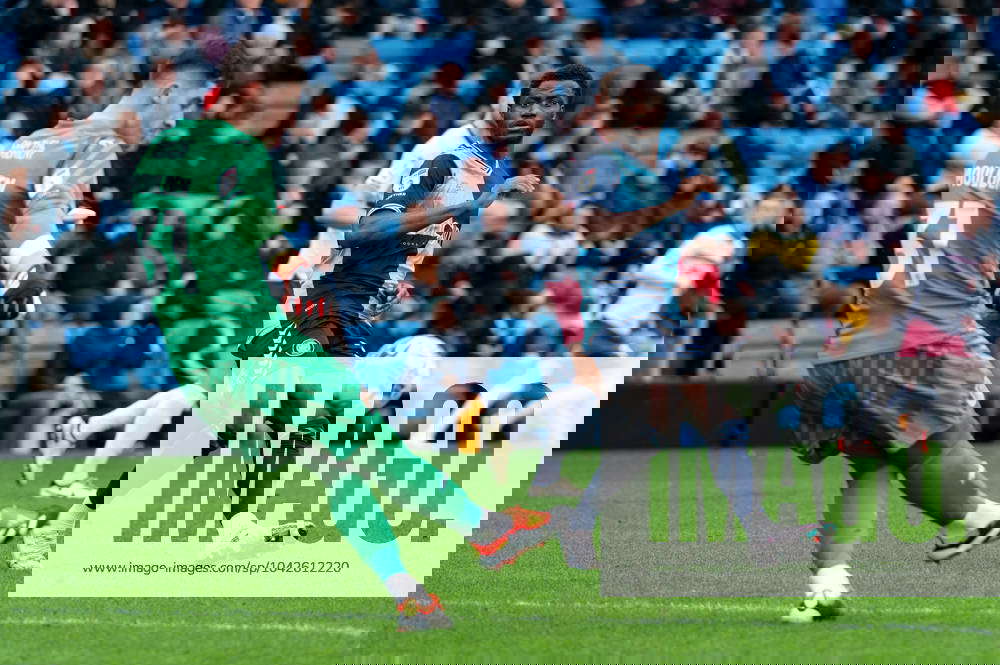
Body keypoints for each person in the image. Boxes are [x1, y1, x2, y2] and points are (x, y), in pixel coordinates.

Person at [782, 119, 1000, 623]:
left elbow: (889, 289)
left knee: (877, 466)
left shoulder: (953, 214)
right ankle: (826, 586)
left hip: (906, 349)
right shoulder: (953, 218)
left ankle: (973, 515)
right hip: (924, 348)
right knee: (887, 462)